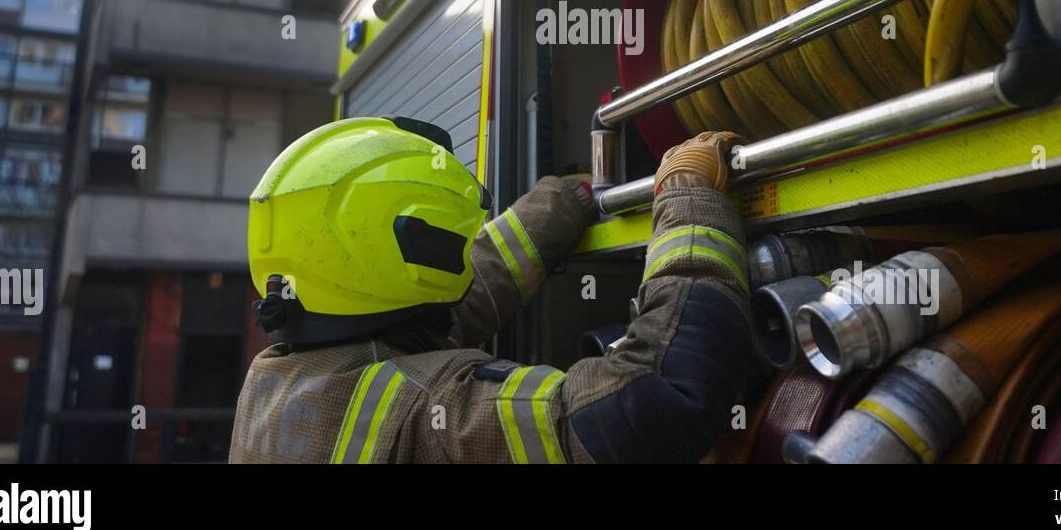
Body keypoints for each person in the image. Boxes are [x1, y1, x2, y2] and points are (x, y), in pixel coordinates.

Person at [228, 115, 759, 463]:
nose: (461, 249)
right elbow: (656, 400)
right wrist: (690, 202)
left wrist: (560, 205)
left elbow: (452, 306)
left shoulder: (275, 381)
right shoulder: (433, 411)